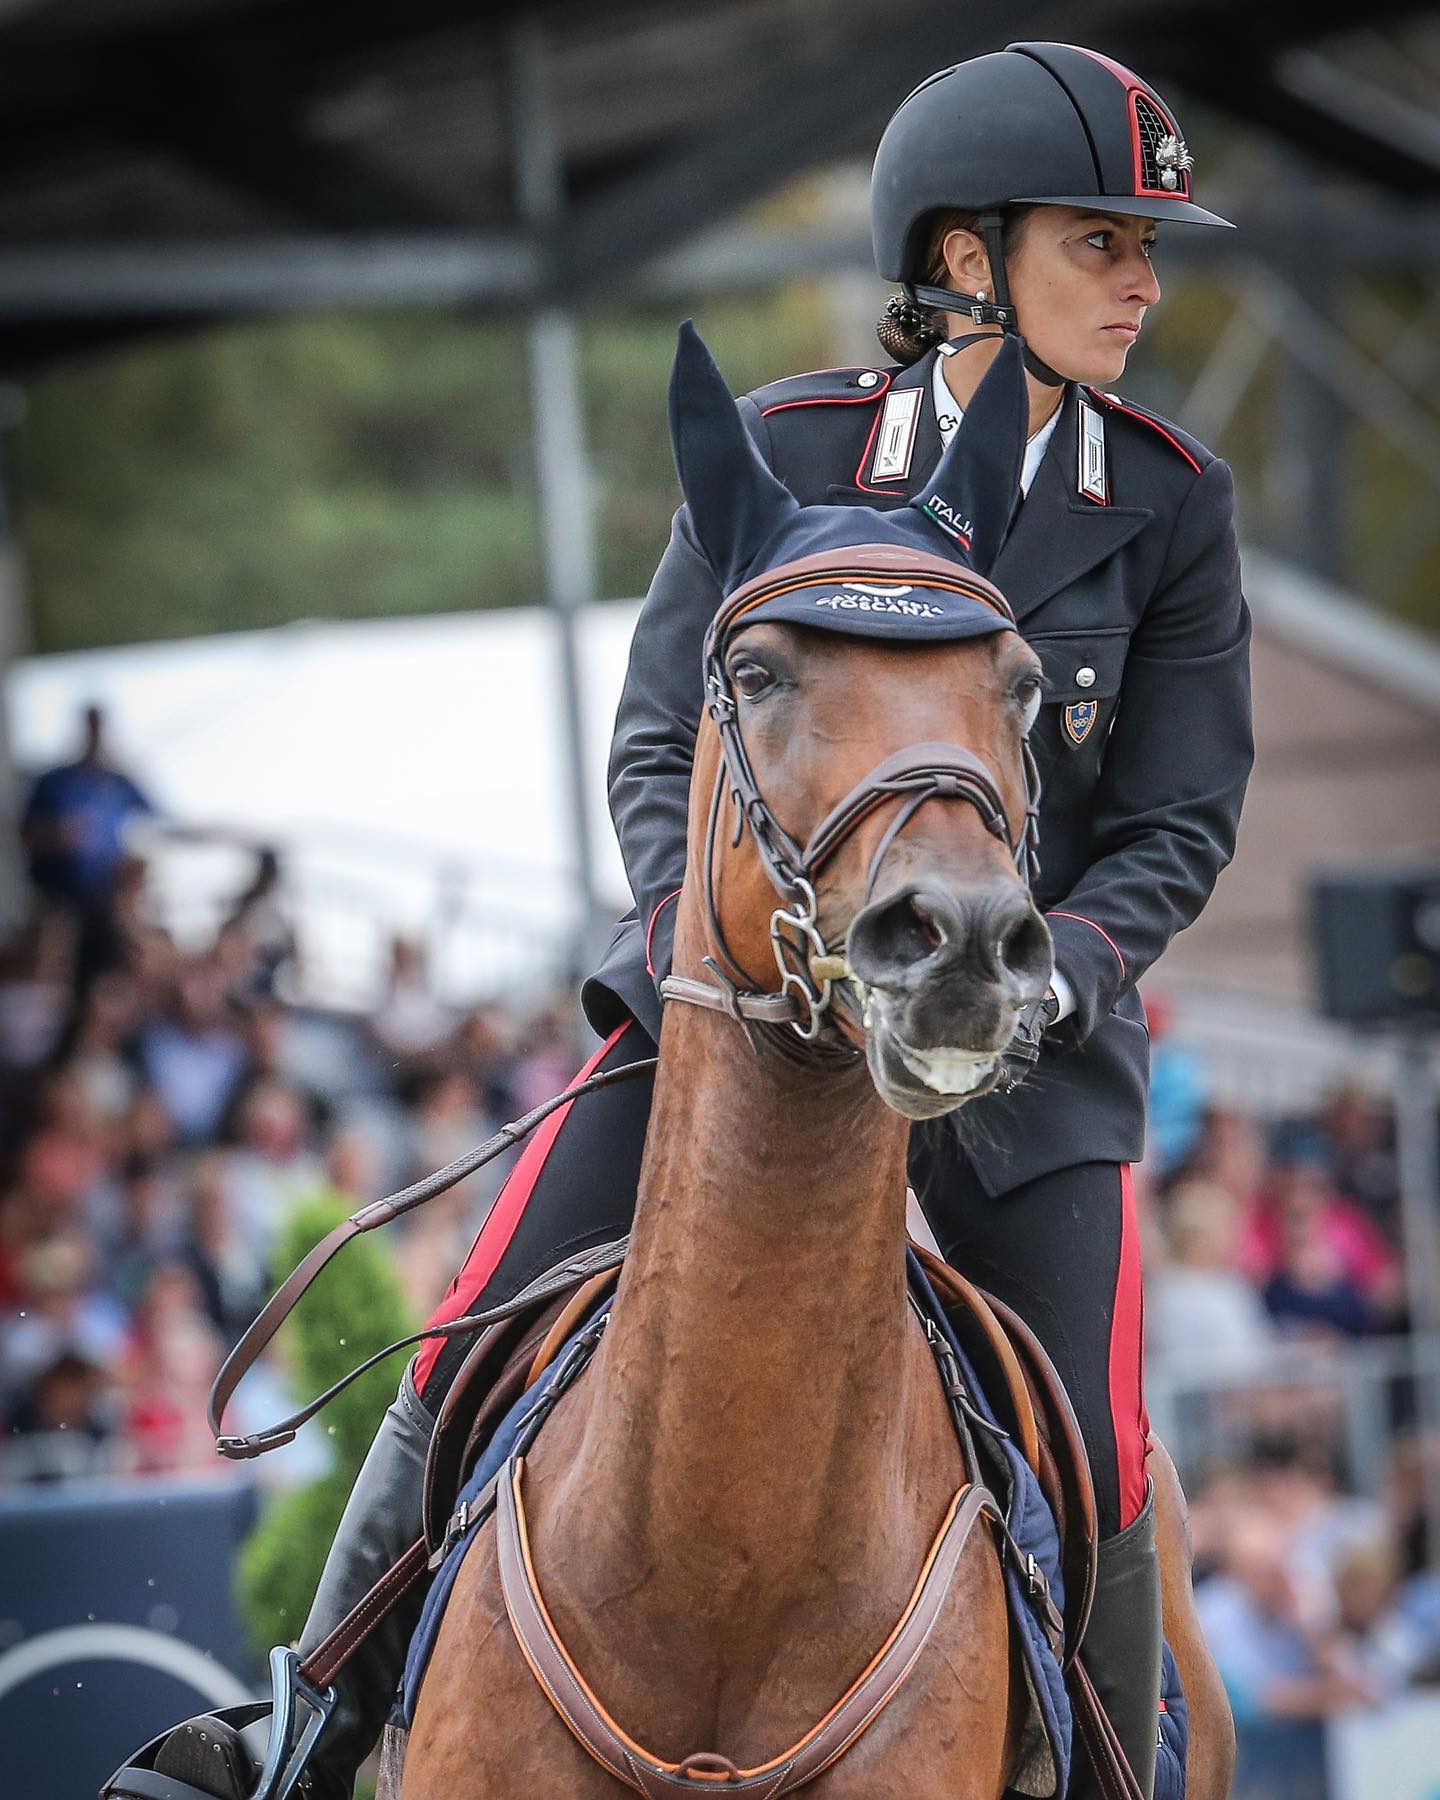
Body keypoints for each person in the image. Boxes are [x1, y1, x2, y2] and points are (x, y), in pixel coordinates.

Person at [126, 41, 1252, 1800]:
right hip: (737, 1032)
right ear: (968, 259)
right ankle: (300, 1731)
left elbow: (1178, 820)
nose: (1143, 277)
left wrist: (1060, 982)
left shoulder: (1172, 501)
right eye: (1103, 237)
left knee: (1101, 1458)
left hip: (1019, 1059)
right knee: (476, 1338)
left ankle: (1113, 1773)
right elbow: (662, 737)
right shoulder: (782, 450)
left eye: (1148, 246)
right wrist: (709, 950)